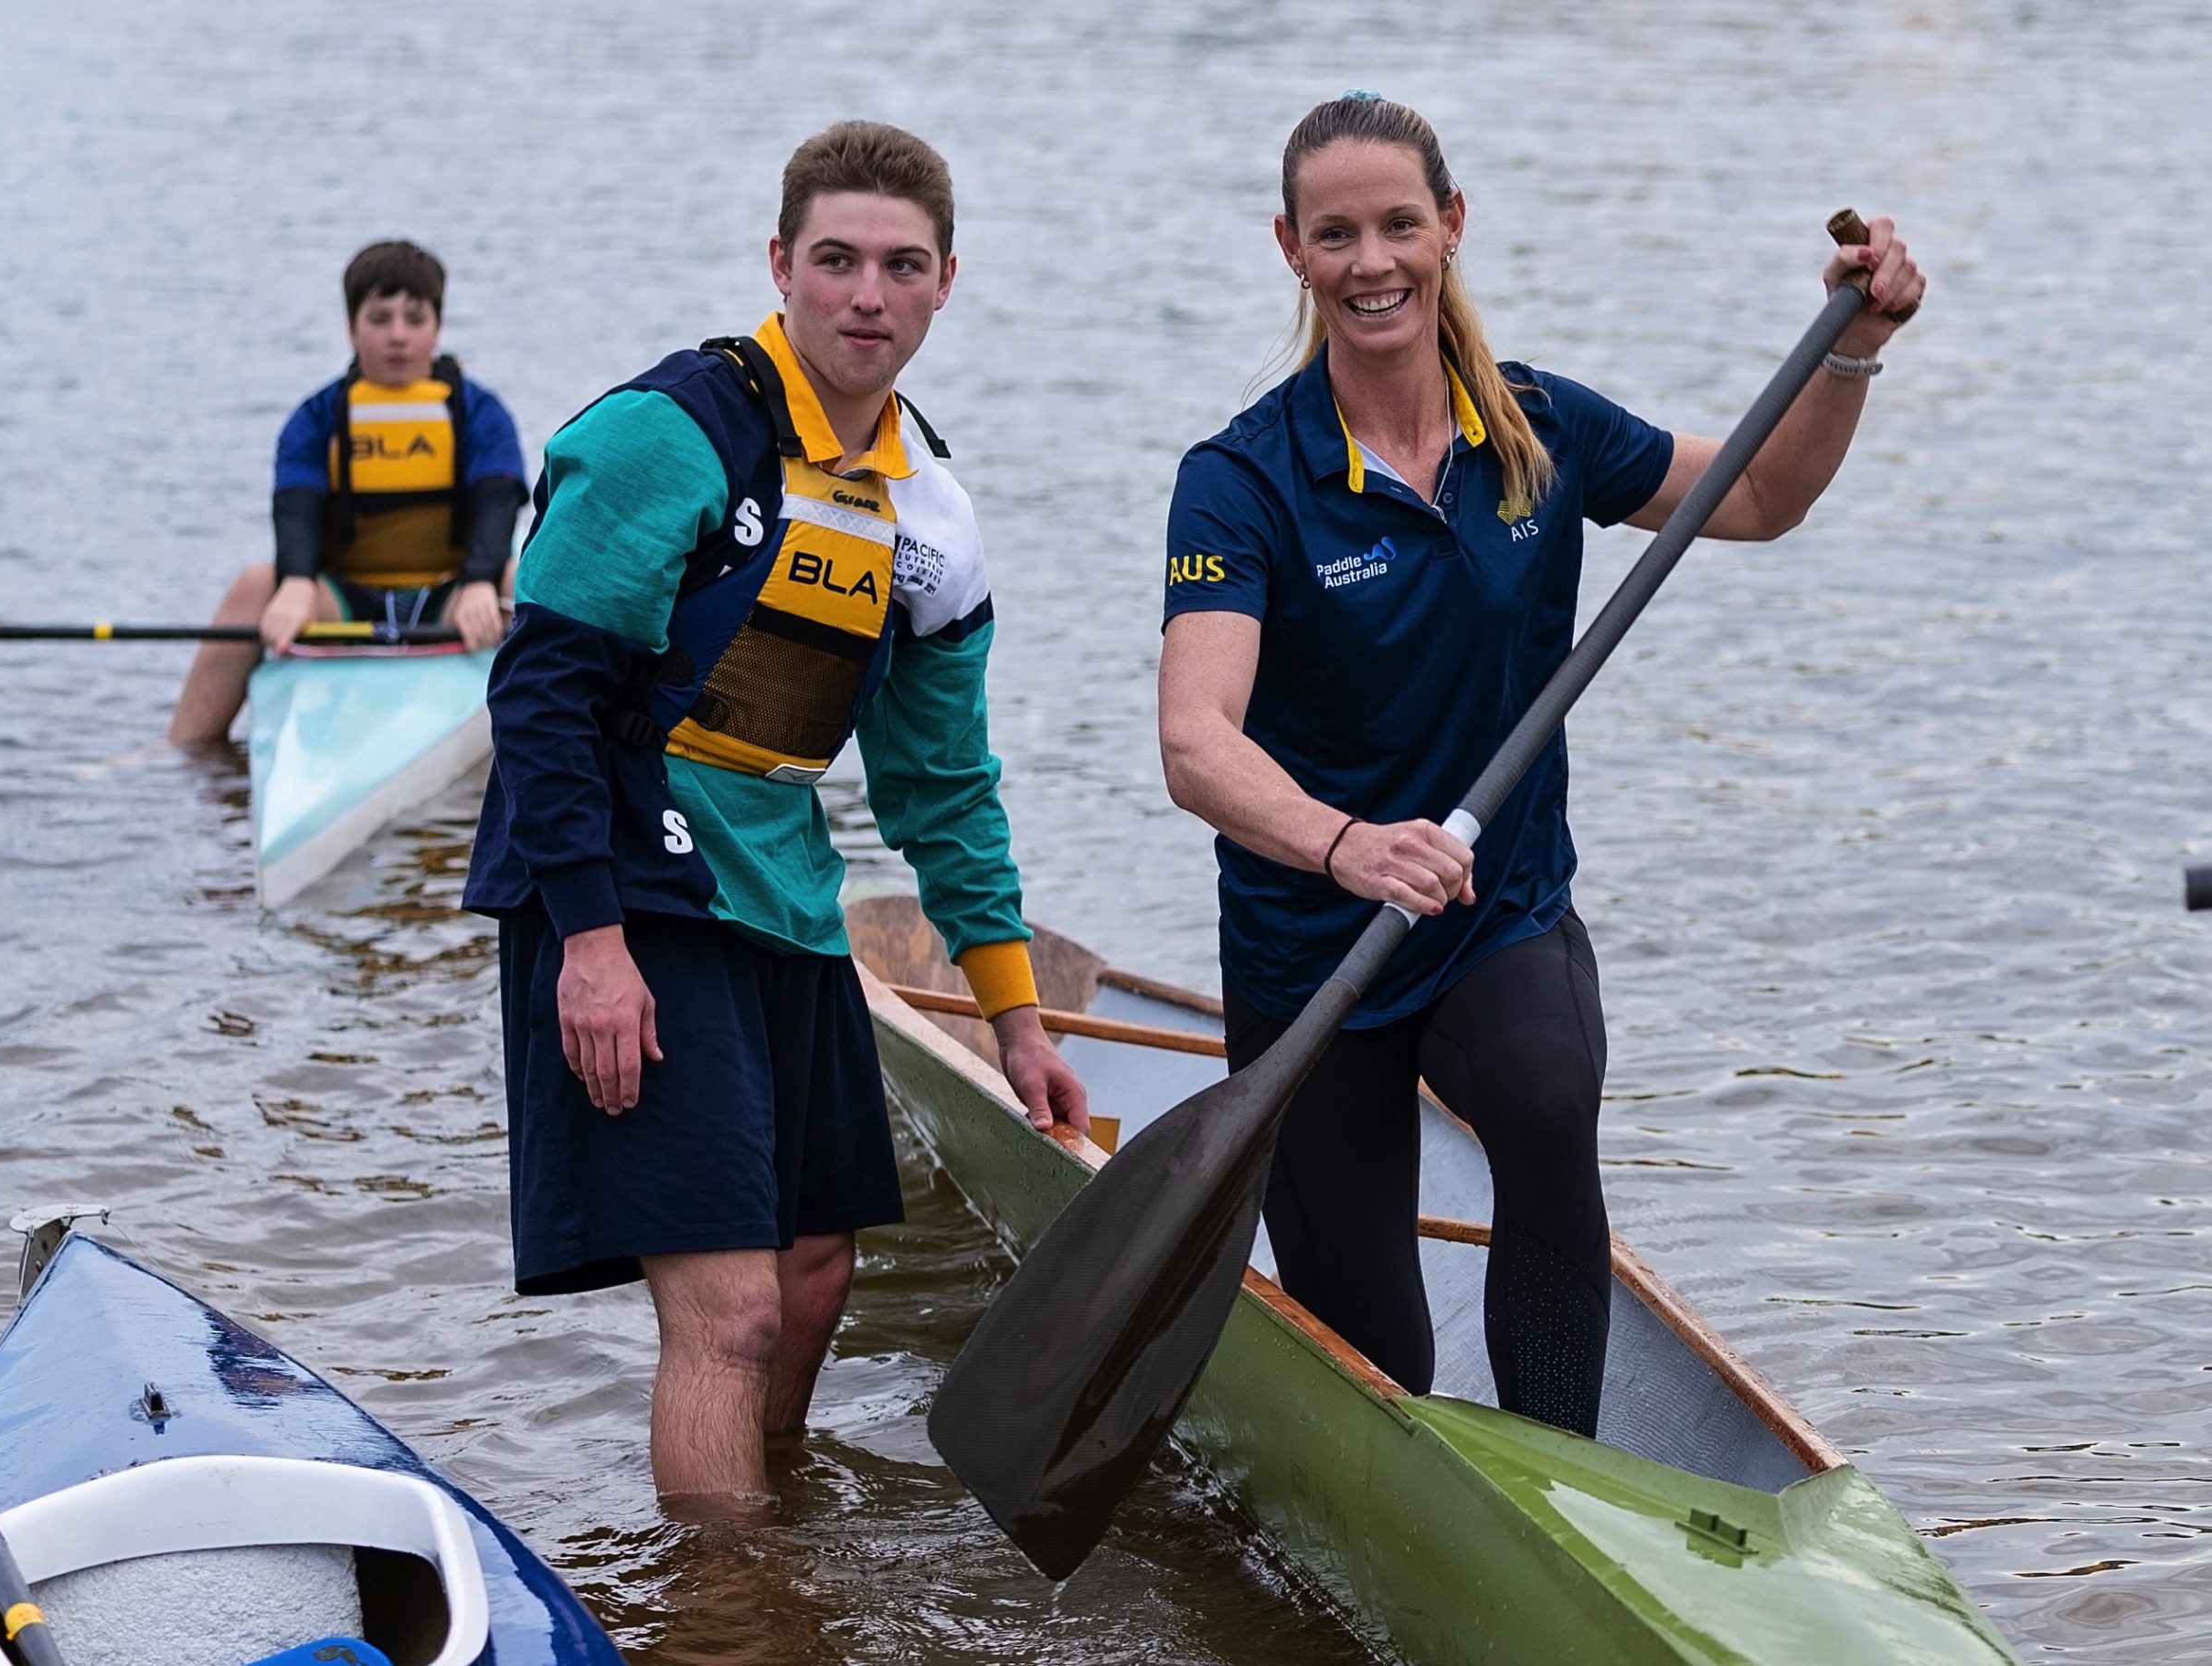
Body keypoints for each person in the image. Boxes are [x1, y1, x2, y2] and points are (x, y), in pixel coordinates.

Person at [1156, 92, 1926, 1437]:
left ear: (1451, 224)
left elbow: (1760, 496)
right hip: (1314, 952)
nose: (1372, 262)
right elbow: (1194, 740)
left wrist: (1852, 351)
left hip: (1491, 911)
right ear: (1291, 249)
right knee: (1376, 1349)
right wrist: (1349, 843)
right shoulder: (1242, 480)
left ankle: (1564, 1465)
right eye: (1335, 234)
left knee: (1546, 1095)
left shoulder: (1540, 429)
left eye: (1400, 224)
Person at [463, 122, 1089, 1505]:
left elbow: (942, 783)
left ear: (945, 284)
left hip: (783, 884)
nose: (867, 294)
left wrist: (1015, 1016)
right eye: (836, 260)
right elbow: (542, 698)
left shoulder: (932, 514)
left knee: (813, 1274)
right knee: (734, 1306)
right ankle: (727, 1597)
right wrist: (590, 941)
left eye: (901, 266)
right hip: (626, 874)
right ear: (781, 266)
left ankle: (759, 1537)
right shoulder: (668, 434)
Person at [167, 240, 528, 743]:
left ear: (438, 327)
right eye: (379, 319)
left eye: (415, 319)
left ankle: (565, 737)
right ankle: (183, 745)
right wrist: (296, 581)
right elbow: (296, 508)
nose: (397, 335)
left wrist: (479, 583)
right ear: (351, 329)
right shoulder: (317, 417)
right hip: (344, 603)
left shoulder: (480, 412)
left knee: (523, 580)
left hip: (450, 599)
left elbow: (496, 503)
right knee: (255, 585)